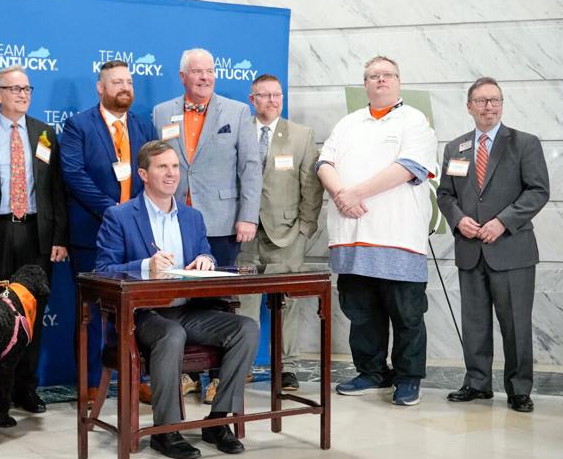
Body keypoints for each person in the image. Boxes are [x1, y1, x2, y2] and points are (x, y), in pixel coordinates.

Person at [96, 140, 259, 459]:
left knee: (247, 328)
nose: (171, 173)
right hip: (143, 316)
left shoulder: (192, 216)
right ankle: (165, 431)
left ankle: (218, 420)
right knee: (172, 334)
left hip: (187, 310)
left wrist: (205, 260)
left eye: (175, 166)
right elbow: (103, 270)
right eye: (162, 167)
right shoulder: (119, 216)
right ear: (143, 173)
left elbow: (205, 252)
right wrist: (144, 266)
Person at [316, 56, 437, 406]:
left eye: (387, 75)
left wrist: (355, 193)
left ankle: (408, 377)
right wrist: (342, 194)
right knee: (361, 312)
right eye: (373, 76)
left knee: (407, 314)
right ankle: (371, 372)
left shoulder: (414, 121)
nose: (380, 80)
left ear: (398, 82)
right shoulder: (348, 123)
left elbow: (408, 167)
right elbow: (325, 162)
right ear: (365, 84)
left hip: (397, 237)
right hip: (352, 234)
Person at [0, 65, 68, 423]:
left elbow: (56, 191)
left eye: (27, 89)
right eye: (15, 89)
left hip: (36, 235)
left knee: (31, 316)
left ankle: (27, 388)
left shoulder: (45, 134)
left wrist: (59, 238)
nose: (23, 94)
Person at [152, 48, 261, 402]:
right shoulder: (162, 112)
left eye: (210, 71)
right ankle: (184, 374)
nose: (204, 77)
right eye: (197, 72)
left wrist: (248, 215)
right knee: (175, 302)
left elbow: (250, 167)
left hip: (222, 221)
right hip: (174, 221)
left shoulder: (238, 111)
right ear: (183, 76)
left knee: (220, 303)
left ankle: (218, 378)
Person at [436, 77, 549, 413]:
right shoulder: (454, 147)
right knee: (474, 321)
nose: (489, 106)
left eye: (495, 100)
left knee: (515, 323)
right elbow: (445, 194)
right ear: (469, 106)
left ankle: (518, 389)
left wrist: (503, 221)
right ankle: (477, 382)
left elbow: (538, 191)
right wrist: (458, 219)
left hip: (511, 249)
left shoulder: (524, 144)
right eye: (482, 101)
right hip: (470, 250)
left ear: (502, 104)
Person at [60, 60, 156, 395]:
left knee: (139, 314)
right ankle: (88, 383)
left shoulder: (144, 127)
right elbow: (73, 175)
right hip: (93, 233)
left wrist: (138, 215)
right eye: (116, 82)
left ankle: (139, 379)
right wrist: (113, 211)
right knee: (90, 315)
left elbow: (154, 173)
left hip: (139, 235)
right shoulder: (78, 126)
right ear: (100, 88)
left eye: (129, 81)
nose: (124, 87)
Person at [234, 74, 323, 391]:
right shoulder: (238, 132)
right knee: (243, 302)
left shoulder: (300, 135)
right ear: (252, 99)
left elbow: (311, 189)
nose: (272, 101)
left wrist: (304, 230)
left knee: (288, 304)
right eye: (265, 95)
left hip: (287, 237)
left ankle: (285, 367)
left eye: (277, 95)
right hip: (245, 238)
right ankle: (240, 365)